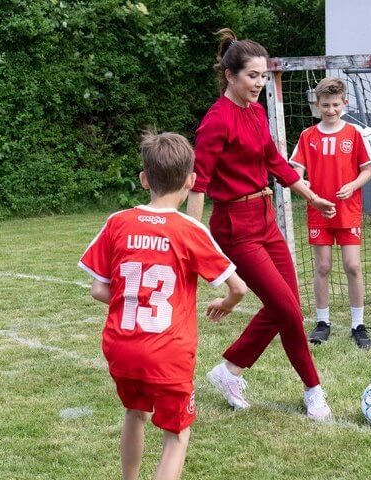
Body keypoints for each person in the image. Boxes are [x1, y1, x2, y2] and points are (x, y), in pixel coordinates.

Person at [79, 132, 247, 480]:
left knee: (134, 413)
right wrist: (227, 302)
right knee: (177, 434)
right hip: (168, 351)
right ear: (191, 181)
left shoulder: (117, 222)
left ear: (144, 180)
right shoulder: (189, 229)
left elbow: (98, 288)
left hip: (122, 346)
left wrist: (129, 300)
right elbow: (238, 288)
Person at [185, 29, 335, 419]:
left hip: (267, 219)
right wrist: (190, 236)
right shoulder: (216, 122)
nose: (260, 83)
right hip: (235, 227)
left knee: (290, 307)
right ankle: (313, 390)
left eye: (264, 76)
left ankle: (230, 370)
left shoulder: (256, 111)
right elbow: (198, 184)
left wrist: (311, 195)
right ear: (230, 76)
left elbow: (275, 161)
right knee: (285, 307)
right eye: (253, 76)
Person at [289, 77, 371, 349]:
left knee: (353, 266)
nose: (331, 110)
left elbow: (367, 171)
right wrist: (304, 186)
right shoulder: (307, 136)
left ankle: (357, 325)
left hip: (347, 212)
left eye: (336, 104)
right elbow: (295, 172)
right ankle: (323, 322)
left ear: (344, 103)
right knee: (323, 267)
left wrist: (352, 185)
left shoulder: (354, 134)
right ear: (317, 104)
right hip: (319, 212)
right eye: (325, 105)